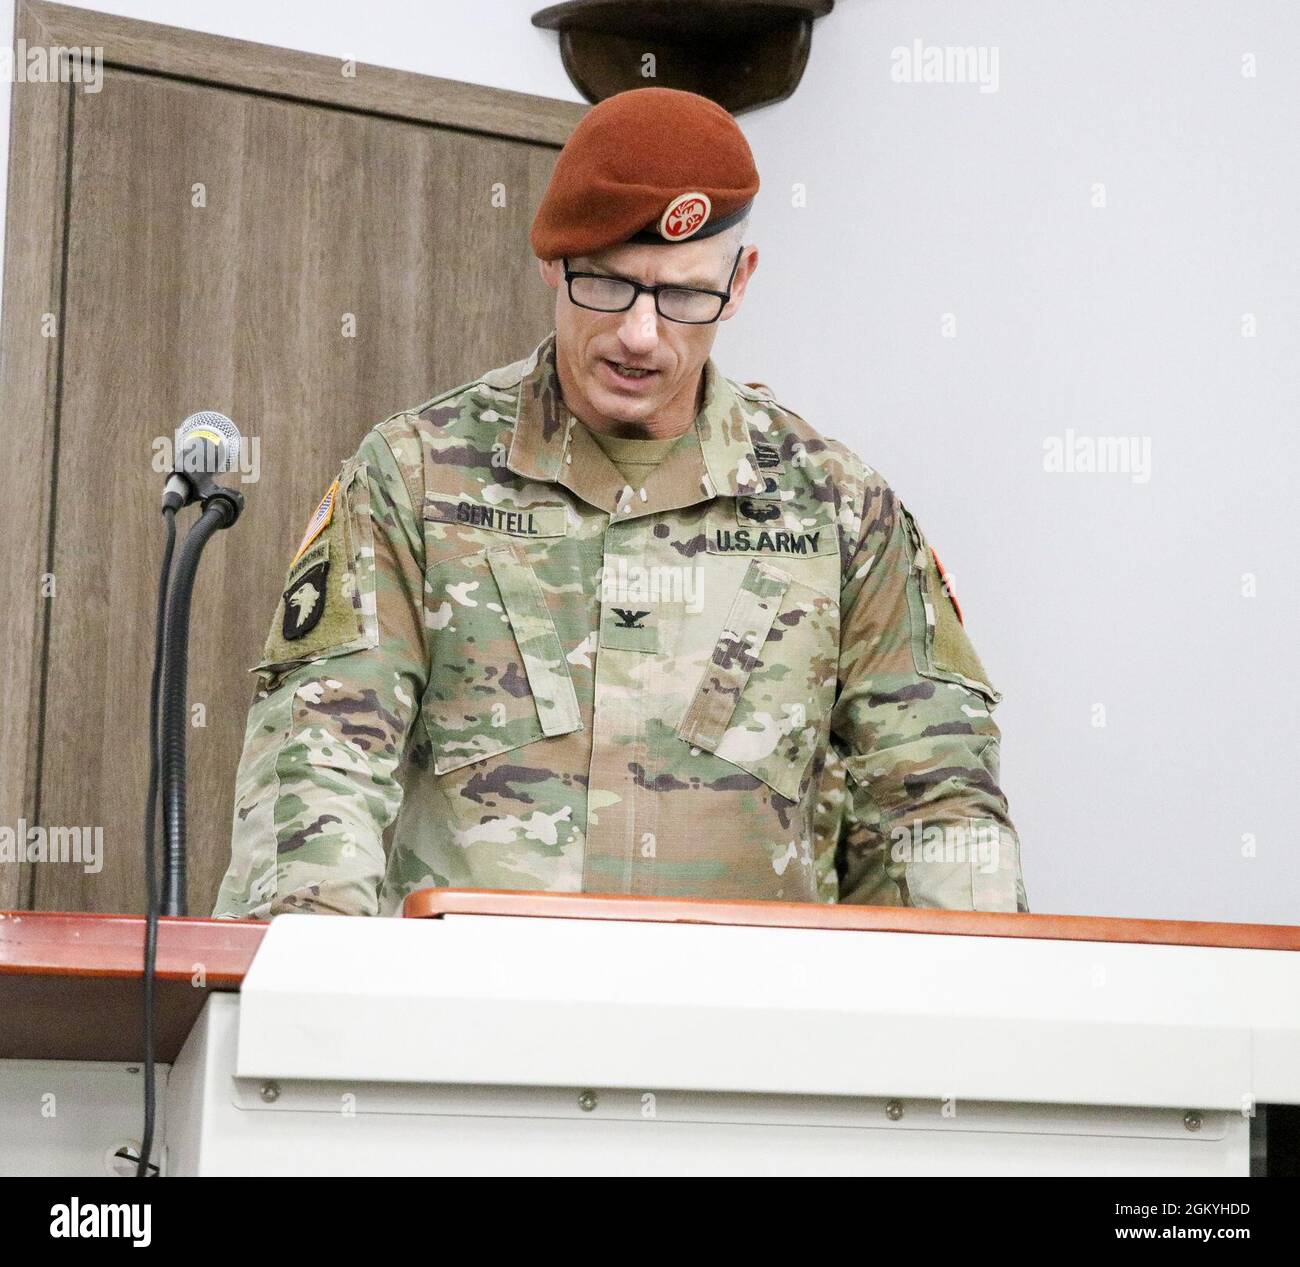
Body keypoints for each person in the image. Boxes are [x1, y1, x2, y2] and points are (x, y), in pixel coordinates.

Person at [213, 86, 1028, 919]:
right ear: (550, 260)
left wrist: (982, 1011)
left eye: (682, 296)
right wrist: (310, 1003)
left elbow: (935, 801)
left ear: (740, 282)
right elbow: (319, 766)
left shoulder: (838, 508)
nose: (641, 333)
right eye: (607, 284)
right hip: (467, 1025)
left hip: (747, 1028)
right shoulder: (417, 478)